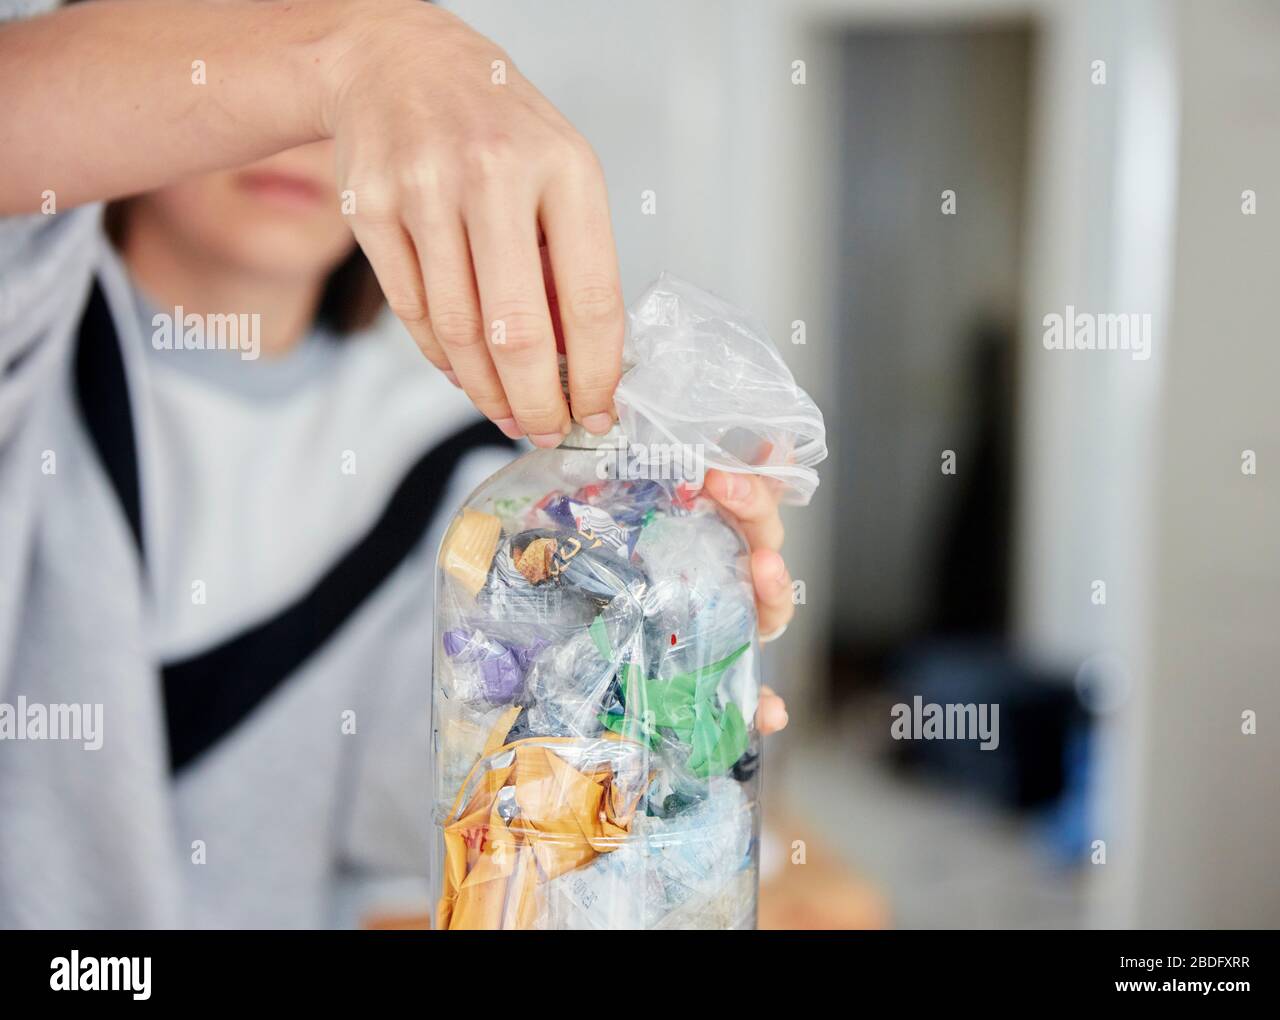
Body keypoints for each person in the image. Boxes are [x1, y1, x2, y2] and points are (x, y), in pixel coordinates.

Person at [0, 0, 795, 927]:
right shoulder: (29, 321)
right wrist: (366, 52)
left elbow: (448, 819)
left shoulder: (474, 481)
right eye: (257, 37)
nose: (302, 135)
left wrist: (650, 661)